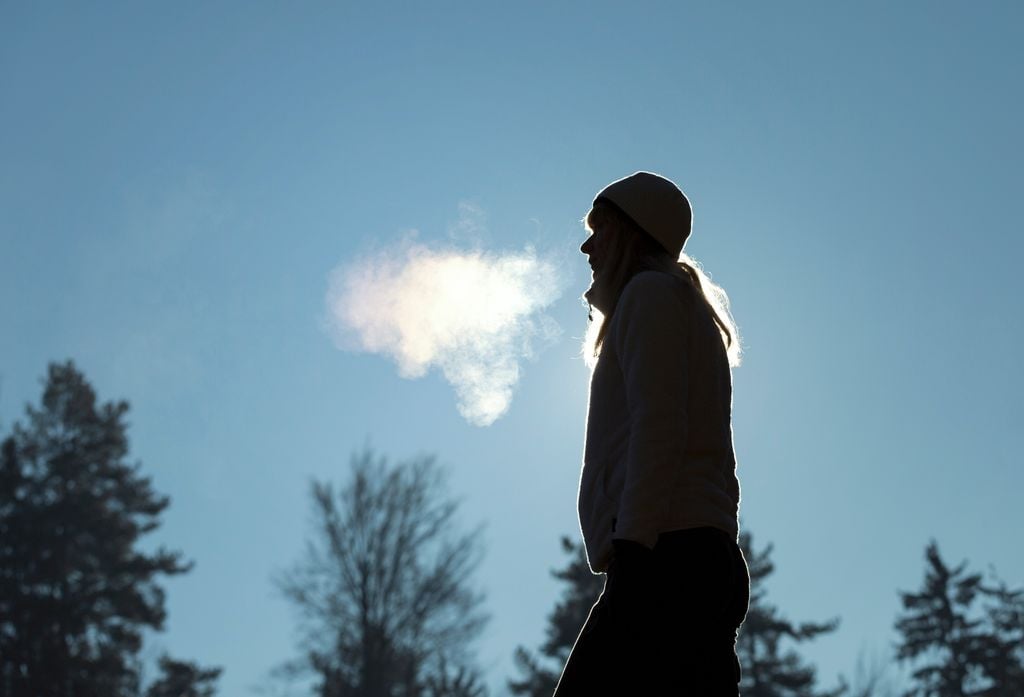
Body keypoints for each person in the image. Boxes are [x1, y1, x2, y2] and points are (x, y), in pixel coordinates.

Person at [553, 171, 750, 696]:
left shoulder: (649, 296)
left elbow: (658, 427)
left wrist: (634, 547)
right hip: (690, 558)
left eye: (602, 231)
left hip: (667, 560)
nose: (587, 246)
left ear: (631, 235)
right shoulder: (674, 303)